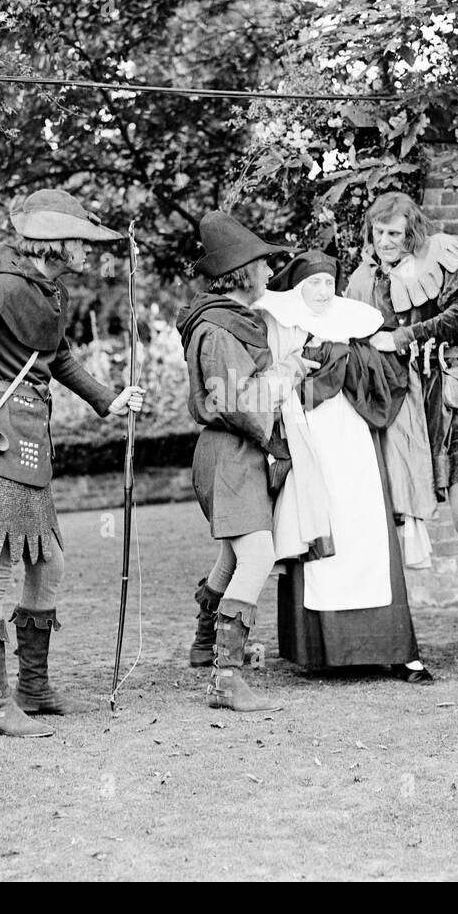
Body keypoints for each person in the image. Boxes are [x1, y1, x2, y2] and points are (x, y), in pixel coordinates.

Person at [0, 190, 146, 737]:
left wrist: (106, 398)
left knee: (49, 564)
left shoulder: (47, 294)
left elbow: (55, 355)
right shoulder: (0, 291)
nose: (89, 250)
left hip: (29, 452)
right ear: (55, 244)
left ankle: (32, 687)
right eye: (82, 240)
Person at [345, 192, 458, 680]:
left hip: (453, 400)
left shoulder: (444, 256)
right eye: (379, 232)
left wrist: (403, 338)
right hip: (400, 403)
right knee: (394, 521)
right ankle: (395, 642)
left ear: (413, 230)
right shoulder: (367, 276)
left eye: (395, 232)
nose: (386, 241)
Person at [252, 250, 432, 680]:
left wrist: (343, 357)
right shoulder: (279, 322)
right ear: (297, 287)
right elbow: (266, 382)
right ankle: (323, 650)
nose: (321, 291)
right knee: (320, 531)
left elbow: (387, 375)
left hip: (356, 436)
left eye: (328, 283)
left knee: (366, 530)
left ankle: (393, 648)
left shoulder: (359, 321)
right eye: (312, 283)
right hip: (309, 437)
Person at [176, 210, 314, 712]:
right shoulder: (217, 329)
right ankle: (227, 678)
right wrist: (288, 370)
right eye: (262, 264)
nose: (268, 273)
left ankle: (204, 645)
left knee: (235, 555)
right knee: (258, 554)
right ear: (242, 271)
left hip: (232, 453)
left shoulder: (228, 322)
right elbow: (243, 403)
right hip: (230, 453)